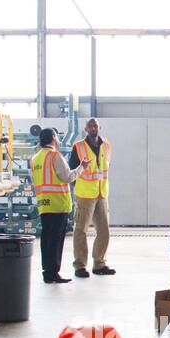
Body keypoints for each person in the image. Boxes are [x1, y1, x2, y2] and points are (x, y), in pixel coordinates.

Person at [32, 127, 81, 283]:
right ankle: (53, 272)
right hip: (57, 203)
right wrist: (81, 168)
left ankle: (47, 272)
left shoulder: (36, 158)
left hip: (43, 204)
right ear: (53, 137)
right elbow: (67, 177)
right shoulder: (54, 155)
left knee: (46, 239)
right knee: (56, 240)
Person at [67, 117, 114, 277]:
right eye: (90, 125)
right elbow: (72, 171)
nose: (93, 127)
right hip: (84, 194)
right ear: (86, 129)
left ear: (99, 127)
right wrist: (79, 190)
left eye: (95, 125)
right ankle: (80, 265)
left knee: (104, 230)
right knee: (81, 230)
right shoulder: (78, 147)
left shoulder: (106, 146)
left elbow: (106, 166)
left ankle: (99, 264)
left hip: (101, 193)